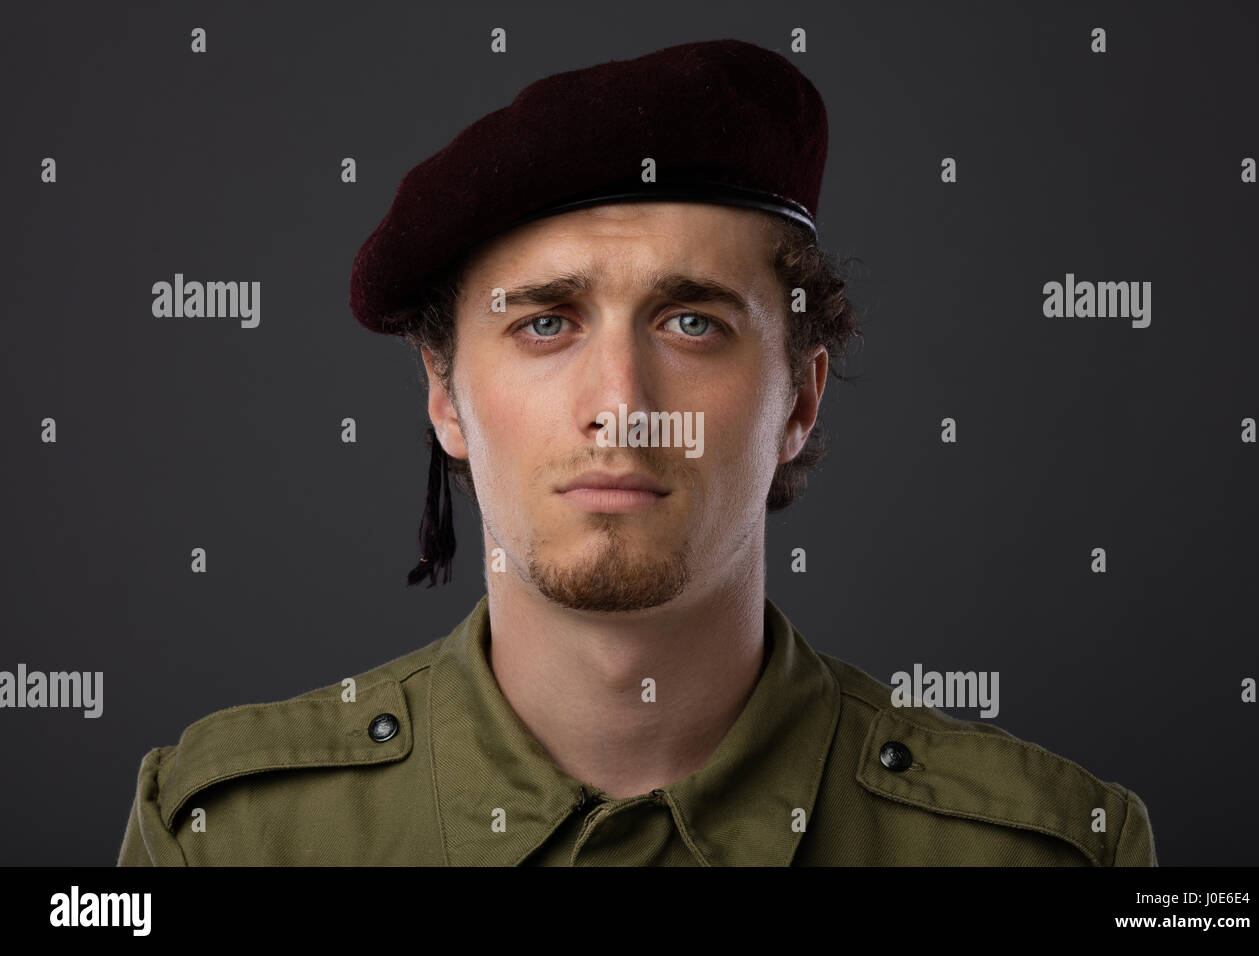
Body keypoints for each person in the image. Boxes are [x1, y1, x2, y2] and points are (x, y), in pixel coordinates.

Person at [117, 38, 1157, 866]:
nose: (619, 407)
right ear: (444, 394)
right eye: (544, 323)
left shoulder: (1045, 851)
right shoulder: (227, 836)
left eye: (691, 323)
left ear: (798, 395)